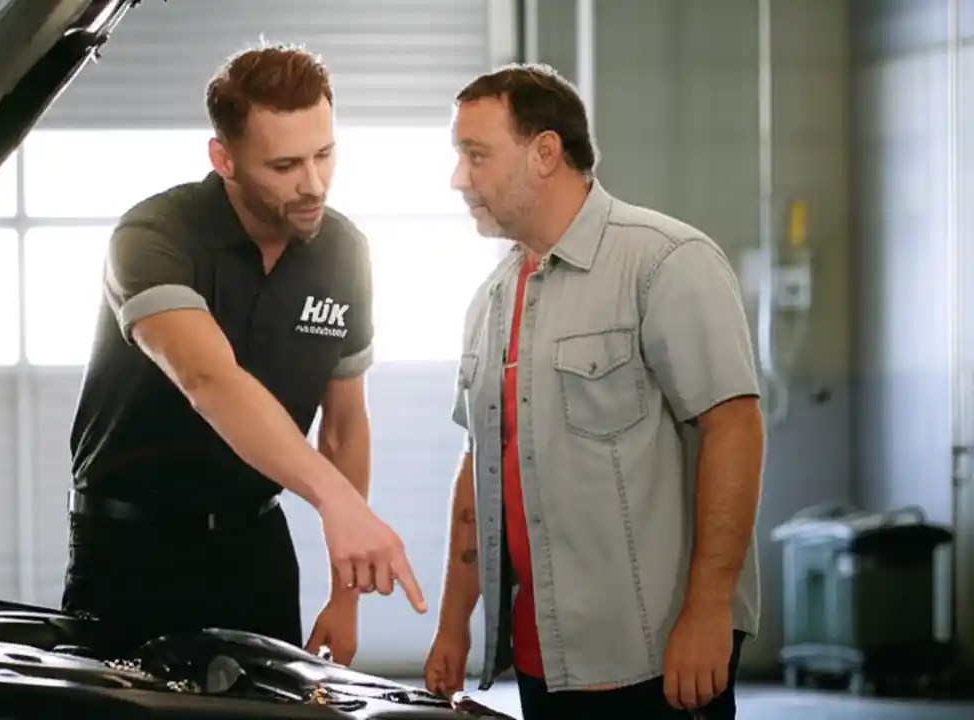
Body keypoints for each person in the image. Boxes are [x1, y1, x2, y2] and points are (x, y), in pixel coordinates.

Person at [61, 43, 426, 667]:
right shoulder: (152, 237)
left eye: (325, 155)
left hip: (255, 545)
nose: (313, 185)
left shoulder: (344, 251)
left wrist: (346, 597)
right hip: (129, 548)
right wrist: (333, 500)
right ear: (224, 158)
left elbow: (343, 429)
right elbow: (208, 379)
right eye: (284, 165)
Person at [423, 64, 765, 719]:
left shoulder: (664, 262)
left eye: (476, 155)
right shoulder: (490, 303)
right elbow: (479, 470)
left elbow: (735, 428)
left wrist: (709, 607)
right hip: (544, 657)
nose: (459, 179)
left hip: (657, 653)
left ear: (545, 152)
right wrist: (452, 622)